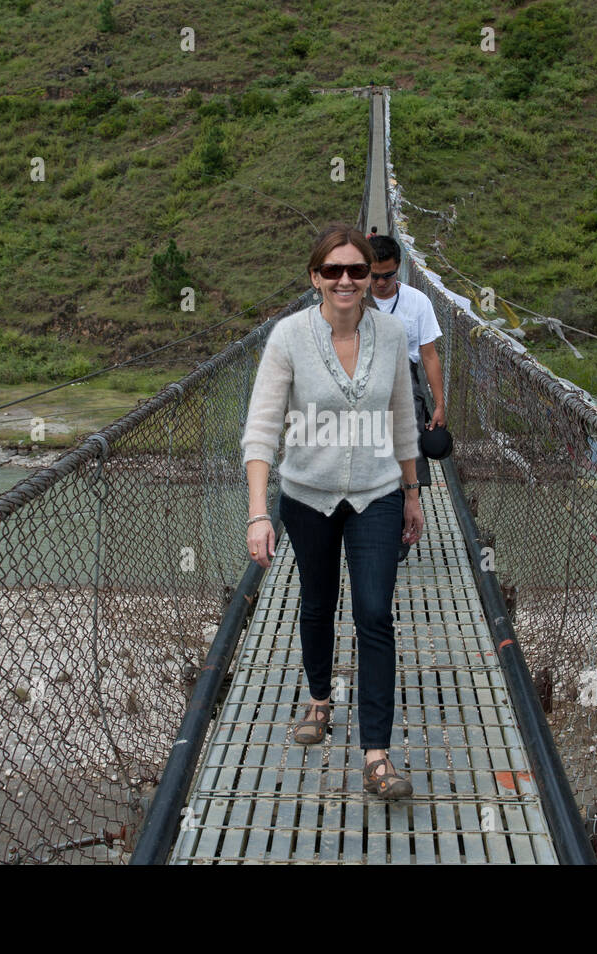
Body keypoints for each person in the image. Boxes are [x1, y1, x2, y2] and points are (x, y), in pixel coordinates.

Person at [241, 224, 425, 799]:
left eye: (358, 270)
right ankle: (320, 698)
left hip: (377, 492)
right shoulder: (288, 337)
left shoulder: (393, 333)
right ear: (315, 278)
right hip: (307, 496)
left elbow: (401, 417)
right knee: (317, 602)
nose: (346, 280)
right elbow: (262, 429)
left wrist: (413, 491)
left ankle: (376, 754)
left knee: (374, 612)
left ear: (373, 277)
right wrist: (257, 513)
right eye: (333, 271)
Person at [367, 234, 446, 562]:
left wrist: (440, 403)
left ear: (399, 268)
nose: (381, 282)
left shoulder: (417, 302)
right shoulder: (350, 300)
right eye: (374, 276)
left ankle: (397, 533)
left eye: (388, 275)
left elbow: (429, 355)